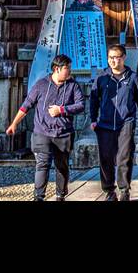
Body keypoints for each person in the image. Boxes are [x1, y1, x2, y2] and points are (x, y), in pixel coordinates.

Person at [6, 53, 85, 202]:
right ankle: (39, 197)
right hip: (42, 132)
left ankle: (60, 195)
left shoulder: (73, 86)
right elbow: (26, 105)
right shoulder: (41, 84)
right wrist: (14, 123)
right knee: (42, 165)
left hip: (64, 134)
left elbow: (81, 105)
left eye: (70, 67)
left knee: (62, 166)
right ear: (56, 69)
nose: (70, 71)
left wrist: (62, 110)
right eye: (67, 68)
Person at [88, 44, 138, 201]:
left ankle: (124, 190)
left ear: (123, 57)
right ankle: (109, 191)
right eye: (110, 57)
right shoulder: (102, 77)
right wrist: (93, 119)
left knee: (125, 157)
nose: (112, 61)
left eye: (116, 57)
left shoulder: (132, 77)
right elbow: (93, 99)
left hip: (126, 122)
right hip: (104, 124)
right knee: (105, 158)